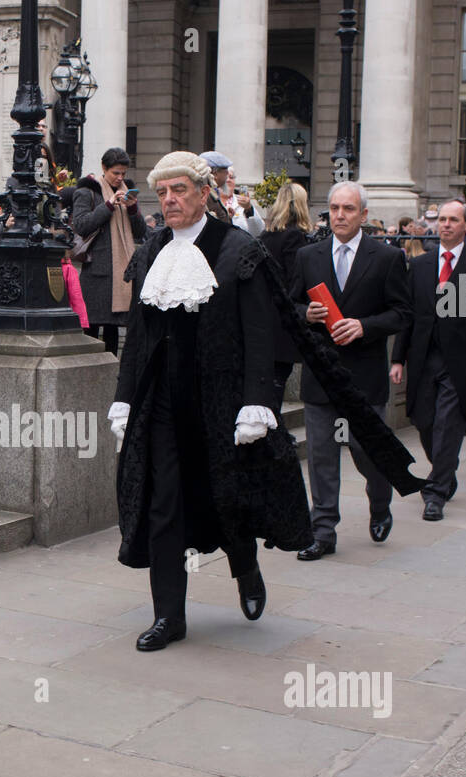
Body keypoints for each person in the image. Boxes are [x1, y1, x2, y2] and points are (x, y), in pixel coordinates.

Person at [108, 151, 311, 650]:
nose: (170, 200)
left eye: (180, 190)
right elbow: (138, 334)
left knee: (227, 496)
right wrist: (124, 399)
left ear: (204, 193)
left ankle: (246, 569)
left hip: (220, 399)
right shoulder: (153, 247)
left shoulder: (237, 248)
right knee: (163, 506)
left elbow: (260, 333)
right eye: (164, 192)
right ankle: (169, 616)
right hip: (161, 399)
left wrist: (258, 401)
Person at [288, 181, 410, 559]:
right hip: (322, 376)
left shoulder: (387, 258)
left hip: (364, 376)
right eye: (335, 208)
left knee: (367, 452)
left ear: (364, 215)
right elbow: (289, 306)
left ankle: (379, 502)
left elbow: (403, 313)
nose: (339, 216)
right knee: (322, 454)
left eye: (348, 209)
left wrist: (364, 326)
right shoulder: (309, 256)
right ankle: (322, 530)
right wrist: (305, 314)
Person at [389, 199, 466, 519]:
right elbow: (407, 317)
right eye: (442, 220)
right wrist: (397, 359)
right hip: (423, 358)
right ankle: (444, 472)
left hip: (459, 361)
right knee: (423, 421)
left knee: (448, 424)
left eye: (453, 219)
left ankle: (435, 492)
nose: (446, 225)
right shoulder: (420, 265)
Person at [70, 147, 147, 355]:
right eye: (115, 173)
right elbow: (82, 225)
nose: (119, 178)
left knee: (114, 331)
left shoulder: (127, 192)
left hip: (122, 273)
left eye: (123, 173)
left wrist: (132, 208)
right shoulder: (86, 192)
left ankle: (112, 374)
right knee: (92, 328)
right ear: (104, 168)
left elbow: (141, 232)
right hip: (97, 273)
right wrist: (109, 205)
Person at [259, 181, 313, 417]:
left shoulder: (265, 236)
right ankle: (274, 437)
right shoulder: (294, 237)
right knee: (277, 383)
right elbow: (295, 281)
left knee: (268, 384)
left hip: (263, 317)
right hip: (282, 322)